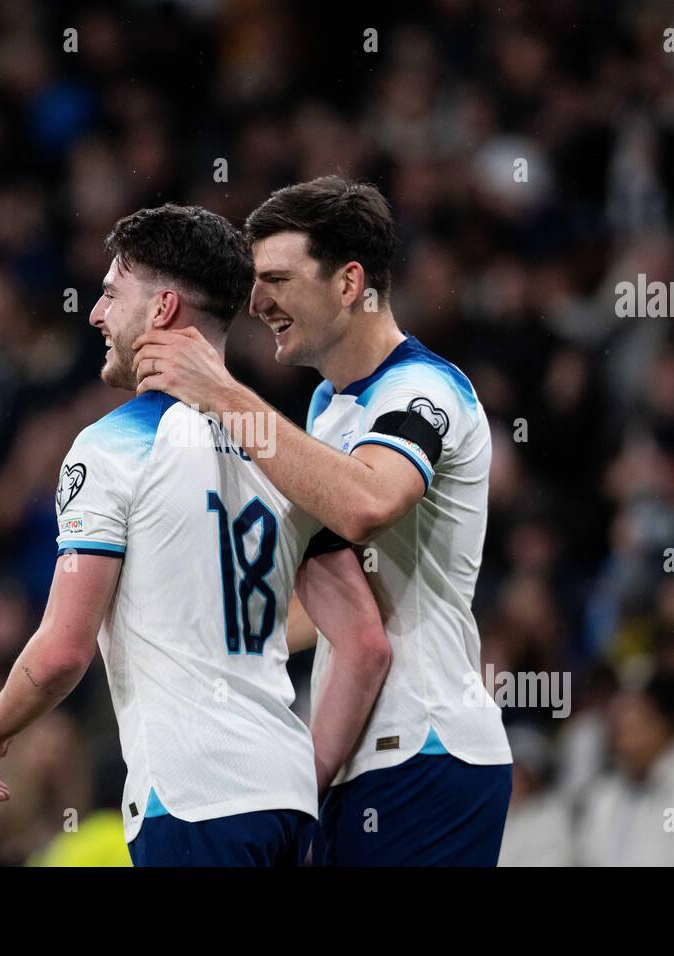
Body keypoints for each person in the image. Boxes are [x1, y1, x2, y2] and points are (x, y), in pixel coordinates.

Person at [0, 203, 390, 866]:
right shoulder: (289, 453)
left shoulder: (109, 448)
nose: (96, 314)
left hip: (191, 802)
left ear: (163, 309)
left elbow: (61, 652)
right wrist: (304, 776)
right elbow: (365, 643)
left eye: (110, 294)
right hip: (286, 798)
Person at [134, 177, 512, 865]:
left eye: (277, 278)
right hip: (364, 755)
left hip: (427, 749)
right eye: (254, 281)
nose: (257, 302)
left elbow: (365, 503)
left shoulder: (424, 389)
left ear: (348, 284)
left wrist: (221, 394)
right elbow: (338, 603)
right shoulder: (327, 411)